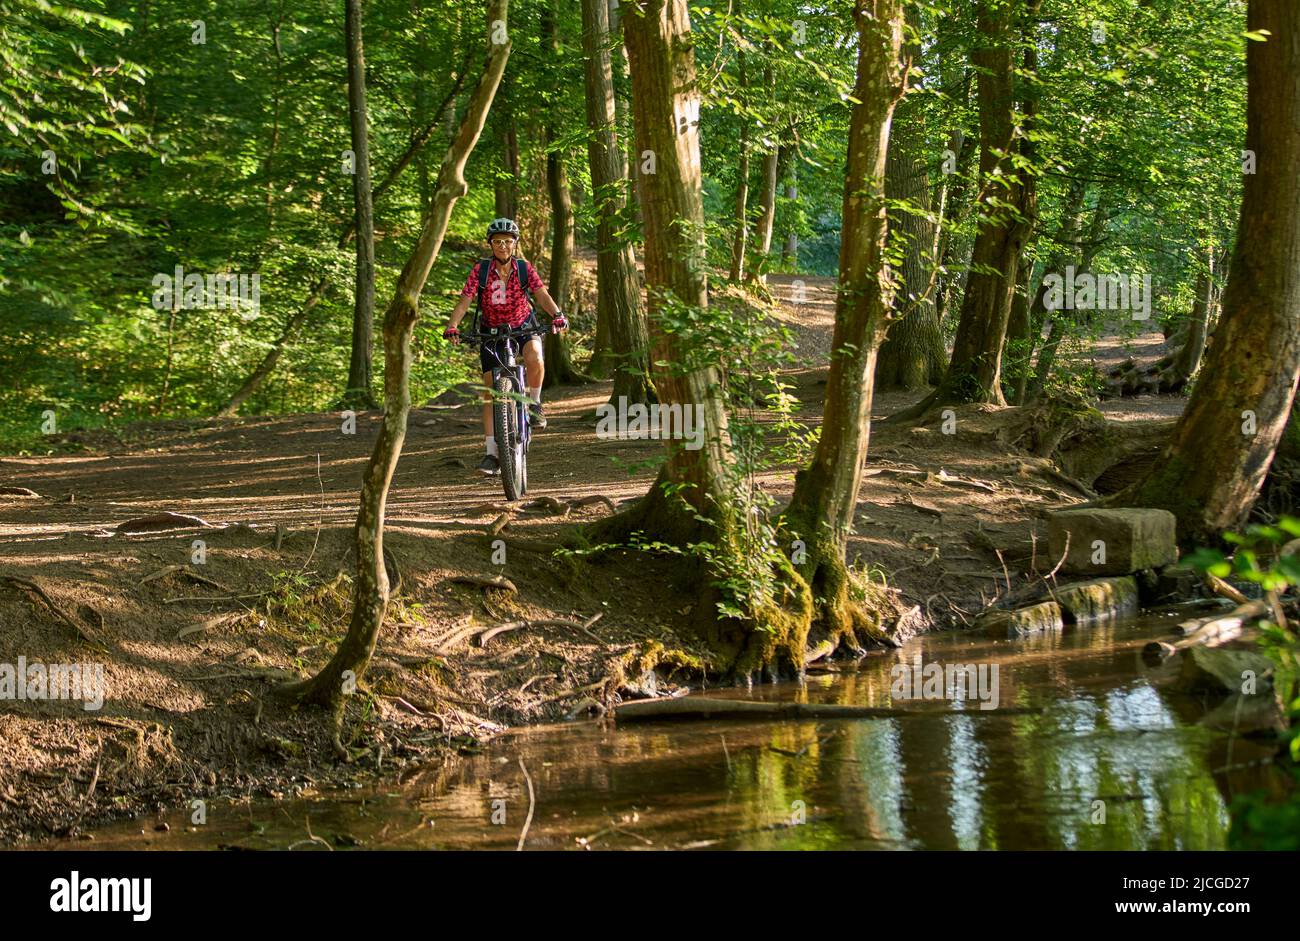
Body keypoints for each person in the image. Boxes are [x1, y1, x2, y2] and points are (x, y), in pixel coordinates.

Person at [443, 218, 567, 476]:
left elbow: (541, 293)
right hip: (491, 331)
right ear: (490, 244)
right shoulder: (481, 270)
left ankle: (534, 404)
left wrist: (557, 313)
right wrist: (452, 325)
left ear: (515, 244)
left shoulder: (524, 268)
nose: (503, 246)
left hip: (523, 324)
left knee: (534, 357)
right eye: (498, 241)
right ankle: (491, 455)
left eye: (508, 241)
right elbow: (465, 299)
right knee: (491, 392)